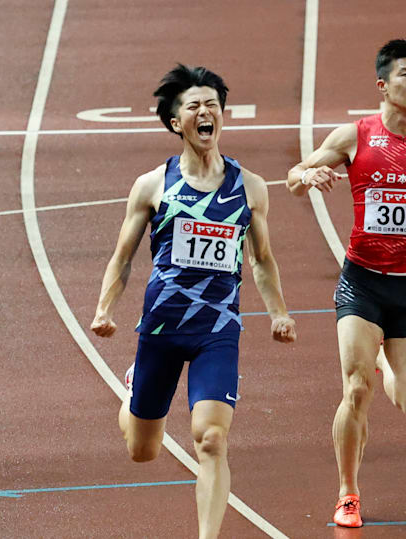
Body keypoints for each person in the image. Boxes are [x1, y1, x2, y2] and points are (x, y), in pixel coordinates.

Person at [91, 65, 296, 539]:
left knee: (212, 439)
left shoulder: (251, 187)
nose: (206, 113)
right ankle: (133, 388)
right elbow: (122, 259)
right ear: (174, 123)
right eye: (193, 106)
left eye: (212, 105)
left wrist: (279, 312)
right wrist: (105, 310)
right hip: (161, 329)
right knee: (143, 451)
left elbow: (261, 260)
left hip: (217, 331)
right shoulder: (152, 185)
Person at [286, 39, 406, 528]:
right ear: (383, 85)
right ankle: (348, 492)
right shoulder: (355, 137)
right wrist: (307, 176)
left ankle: (383, 365)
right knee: (354, 390)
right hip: (362, 286)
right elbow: (294, 172)